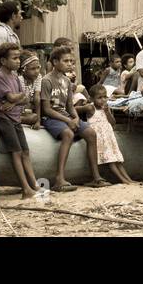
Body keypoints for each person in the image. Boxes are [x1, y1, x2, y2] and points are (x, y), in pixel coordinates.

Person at [40, 45, 105, 191]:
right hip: (51, 118)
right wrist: (68, 121)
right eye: (66, 61)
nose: (69, 64)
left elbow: (69, 105)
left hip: (66, 116)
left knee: (91, 133)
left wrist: (75, 118)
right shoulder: (47, 81)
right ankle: (59, 178)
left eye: (71, 61)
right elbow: (46, 110)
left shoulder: (67, 81)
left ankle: (96, 177)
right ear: (55, 62)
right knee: (68, 134)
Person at [0, 44, 39, 199]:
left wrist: (14, 100)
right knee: (17, 152)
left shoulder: (14, 76)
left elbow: (24, 98)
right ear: (4, 60)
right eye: (15, 58)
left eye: (19, 57)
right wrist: (16, 98)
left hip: (15, 118)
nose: (18, 61)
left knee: (25, 151)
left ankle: (34, 185)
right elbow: (15, 96)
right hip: (2, 117)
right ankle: (25, 189)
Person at [87, 85, 135, 184]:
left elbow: (113, 122)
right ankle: (123, 180)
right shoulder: (90, 108)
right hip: (101, 140)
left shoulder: (106, 108)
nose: (103, 100)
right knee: (111, 162)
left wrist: (107, 112)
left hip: (109, 137)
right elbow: (77, 109)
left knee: (117, 160)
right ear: (92, 99)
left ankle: (128, 179)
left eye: (105, 97)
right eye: (99, 98)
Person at [0, 4, 22, 72]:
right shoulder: (1, 34)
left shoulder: (12, 35)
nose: (21, 17)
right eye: (20, 14)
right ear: (13, 16)